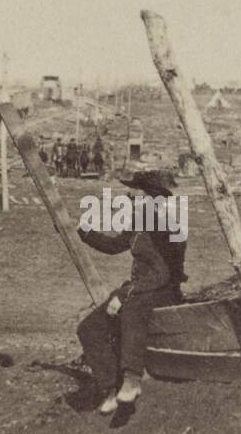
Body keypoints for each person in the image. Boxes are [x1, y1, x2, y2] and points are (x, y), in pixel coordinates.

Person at [76, 170, 187, 414]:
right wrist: (85, 233)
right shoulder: (140, 223)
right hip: (141, 290)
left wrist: (124, 295)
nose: (129, 195)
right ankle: (109, 387)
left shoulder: (166, 227)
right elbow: (115, 245)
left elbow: (161, 275)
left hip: (163, 291)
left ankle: (132, 379)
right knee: (88, 327)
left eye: (135, 192)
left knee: (132, 310)